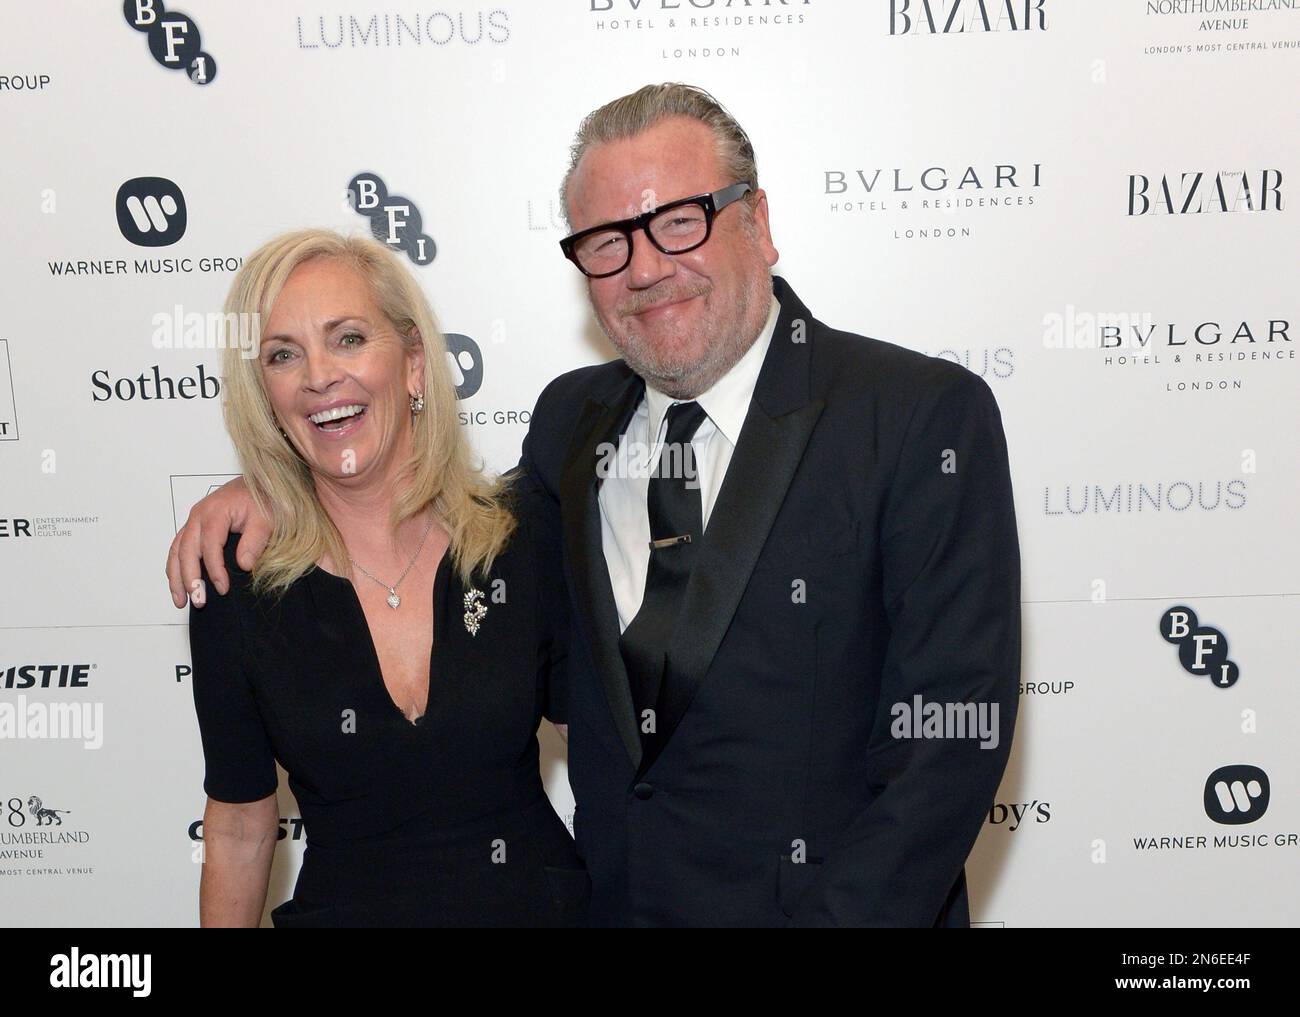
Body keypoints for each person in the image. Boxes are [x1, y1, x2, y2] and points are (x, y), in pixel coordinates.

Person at [170, 84, 1021, 927]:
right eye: (608, 242)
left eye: (680, 219)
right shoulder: (571, 424)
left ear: (758, 223)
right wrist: (275, 482)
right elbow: (427, 512)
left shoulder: (915, 416)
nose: (646, 267)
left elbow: (947, 749)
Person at [185, 229, 586, 927]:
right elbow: (240, 829)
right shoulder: (238, 581)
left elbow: (610, 758)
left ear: (413, 363)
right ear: (266, 396)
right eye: (283, 354)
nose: (319, 375)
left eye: (347, 339)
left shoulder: (523, 537)